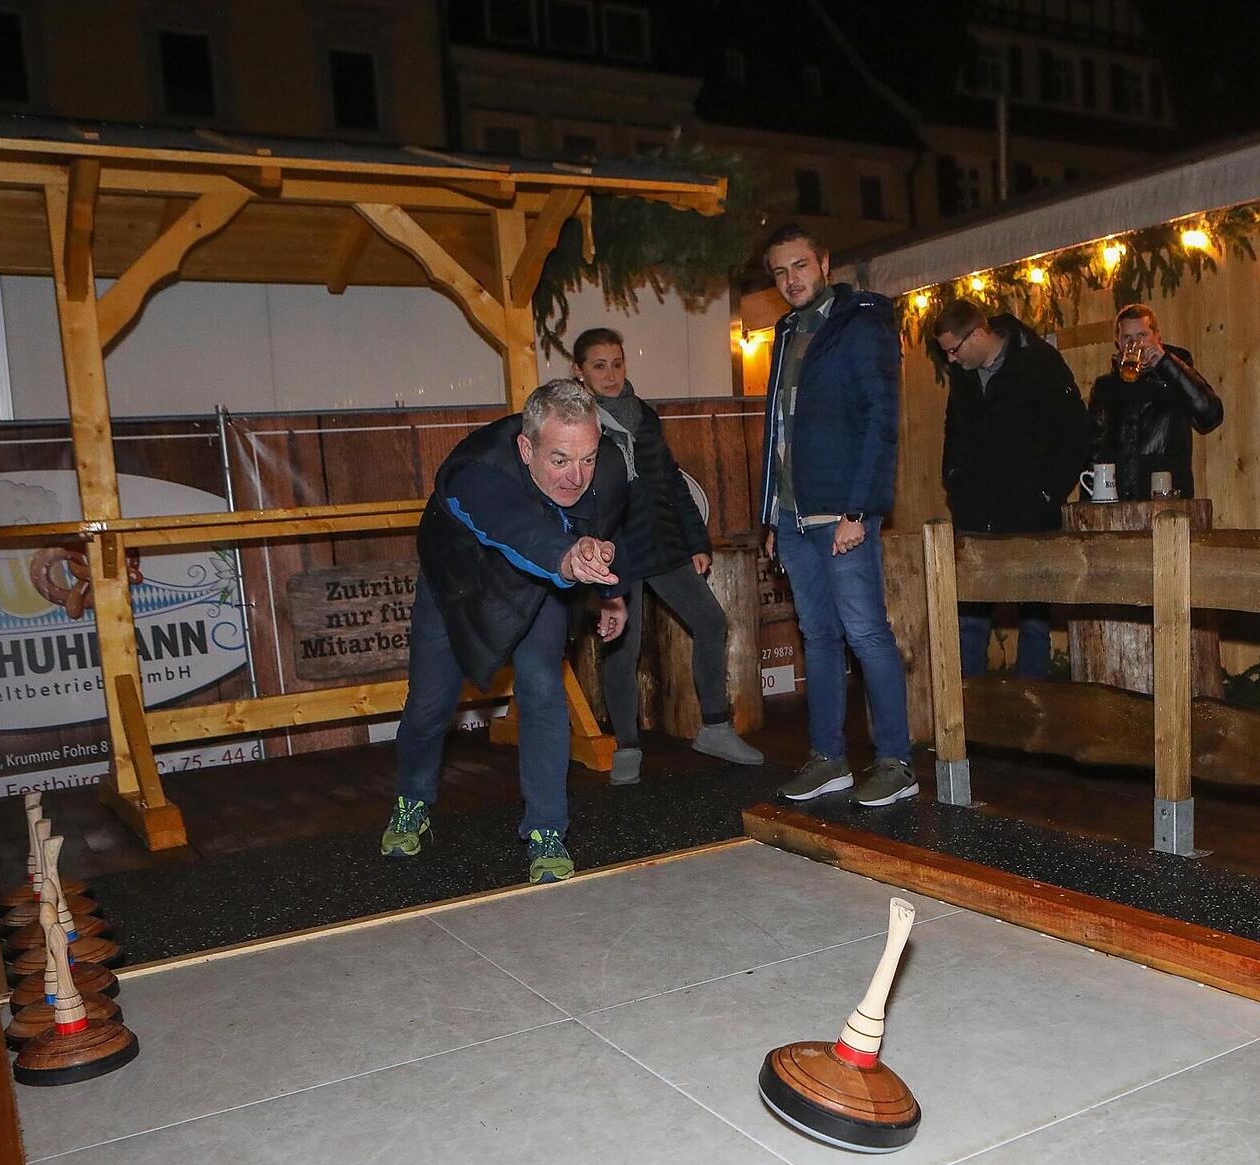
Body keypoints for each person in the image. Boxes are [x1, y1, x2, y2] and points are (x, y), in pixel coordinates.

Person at [380, 379, 628, 882]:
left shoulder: (607, 466)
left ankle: (546, 830)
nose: (576, 476)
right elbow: (516, 529)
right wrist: (567, 558)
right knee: (428, 706)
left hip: (541, 583)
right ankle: (412, 800)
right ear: (525, 448)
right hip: (459, 587)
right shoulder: (474, 474)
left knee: (544, 692)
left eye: (587, 458)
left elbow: (604, 526)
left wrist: (610, 591)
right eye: (560, 460)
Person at [757, 222, 916, 808]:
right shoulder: (786, 331)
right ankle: (828, 759)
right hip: (793, 517)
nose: (791, 279)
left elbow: (880, 420)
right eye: (780, 272)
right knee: (818, 637)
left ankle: (896, 761)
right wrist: (771, 515)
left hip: (842, 512)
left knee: (867, 634)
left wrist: (860, 508)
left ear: (825, 263)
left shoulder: (861, 323)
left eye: (800, 265)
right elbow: (778, 431)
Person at [572, 326, 762, 784]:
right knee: (623, 647)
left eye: (617, 363)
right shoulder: (578, 423)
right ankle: (627, 747)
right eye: (599, 366)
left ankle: (715, 727)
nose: (611, 374)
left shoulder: (645, 416)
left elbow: (672, 481)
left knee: (711, 622)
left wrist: (696, 541)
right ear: (580, 373)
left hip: (660, 542)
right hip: (614, 552)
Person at [931, 298, 1091, 678]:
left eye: (953, 349)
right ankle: (967, 708)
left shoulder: (1040, 364)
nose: (950, 359)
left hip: (1030, 515)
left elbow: (1076, 434)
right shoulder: (964, 377)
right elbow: (954, 433)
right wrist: (955, 480)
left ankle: (1033, 707)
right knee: (969, 622)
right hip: (975, 516)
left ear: (978, 334)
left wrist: (1047, 492)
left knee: (1033, 621)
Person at [1086, 302, 1224, 501]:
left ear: (1157, 337)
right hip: (1117, 505)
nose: (1135, 344)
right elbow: (1093, 450)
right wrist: (1089, 502)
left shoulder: (1176, 377)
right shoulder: (1106, 387)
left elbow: (1210, 414)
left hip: (1168, 501)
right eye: (1127, 337)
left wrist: (1167, 364)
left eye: (1142, 335)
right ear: (1118, 343)